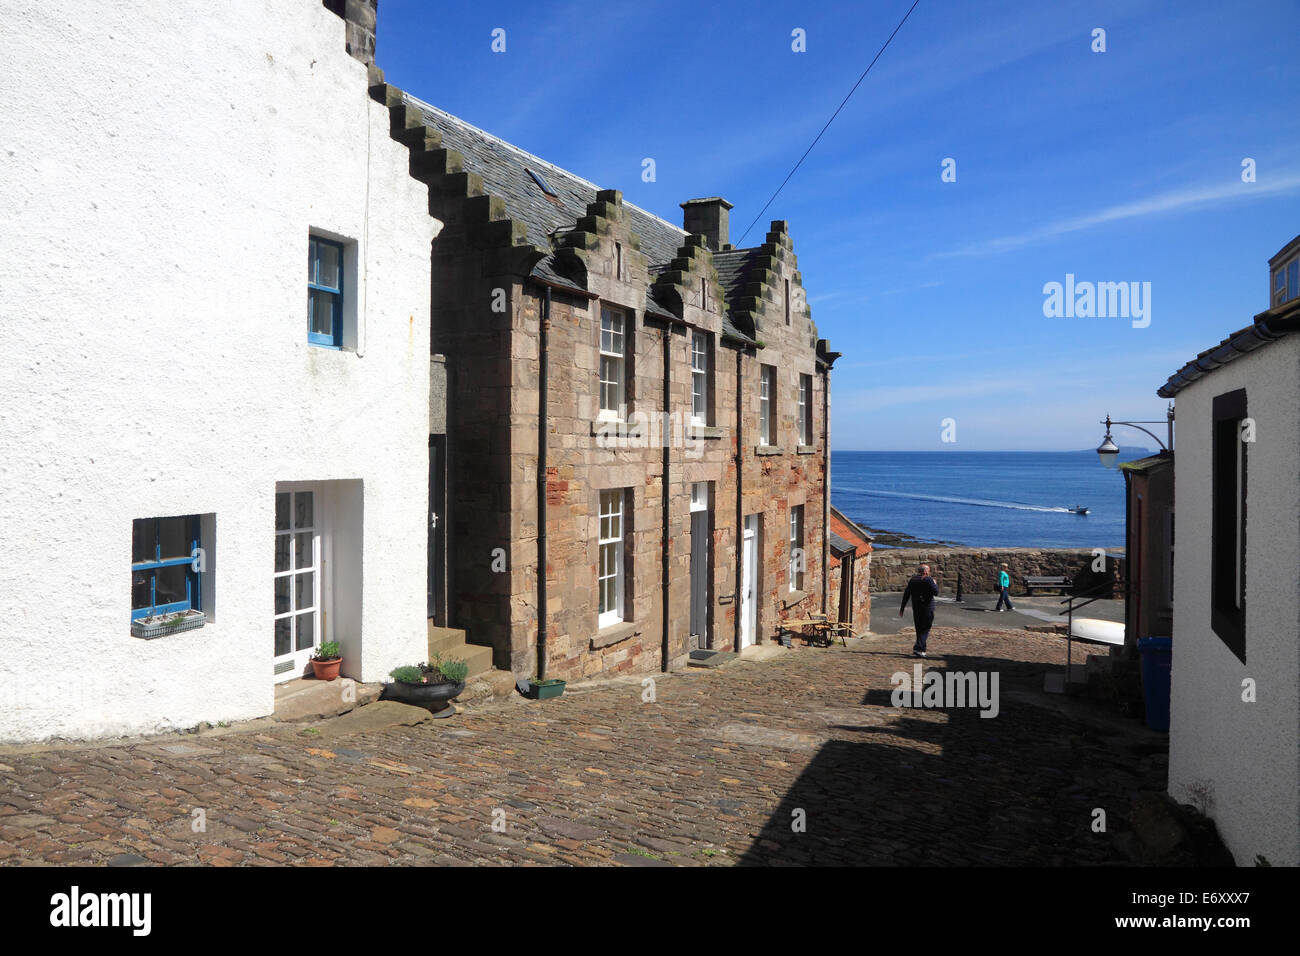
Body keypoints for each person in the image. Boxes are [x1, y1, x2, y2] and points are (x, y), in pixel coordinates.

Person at [900, 564, 939, 657]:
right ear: (925, 571)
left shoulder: (913, 580)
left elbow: (907, 594)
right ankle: (919, 648)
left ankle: (920, 648)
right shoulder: (929, 580)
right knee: (925, 629)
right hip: (927, 608)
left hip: (917, 608)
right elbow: (936, 592)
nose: (929, 572)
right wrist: (934, 583)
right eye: (928, 570)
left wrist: (902, 608)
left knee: (919, 629)